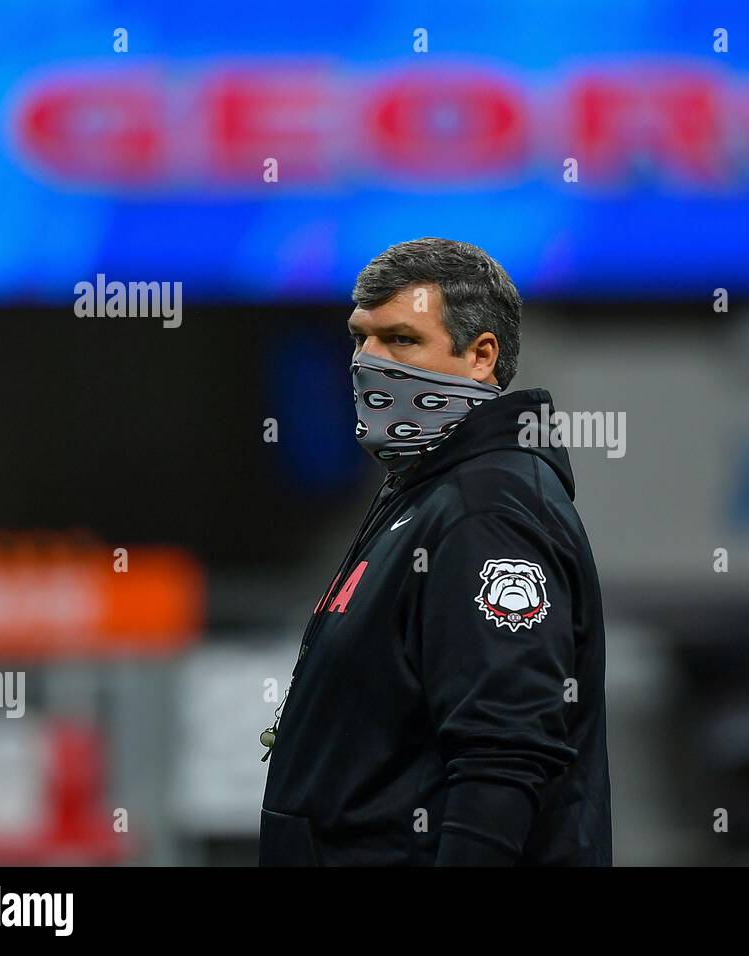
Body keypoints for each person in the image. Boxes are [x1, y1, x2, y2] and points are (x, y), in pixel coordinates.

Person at [259, 237, 612, 865]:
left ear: (480, 356)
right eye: (360, 338)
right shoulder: (425, 493)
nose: (368, 362)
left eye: (400, 340)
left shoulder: (488, 511)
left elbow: (503, 755)